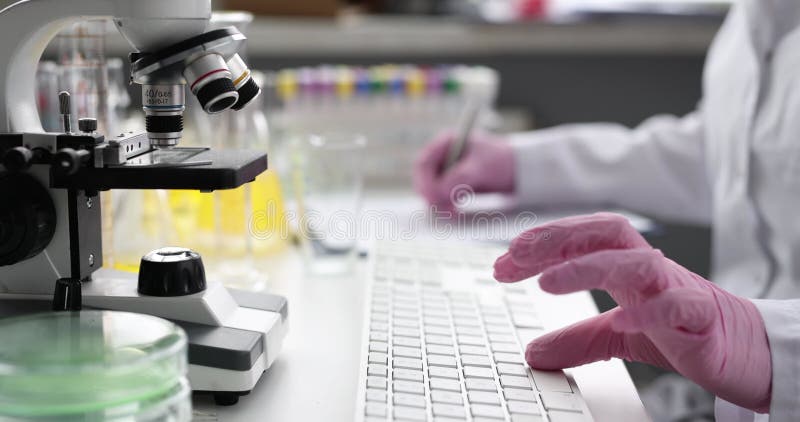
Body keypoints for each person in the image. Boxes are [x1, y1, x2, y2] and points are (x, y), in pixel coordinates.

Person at [414, 0, 800, 420]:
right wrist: (521, 164)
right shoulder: (752, 18)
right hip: (709, 398)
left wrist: (774, 346)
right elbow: (728, 157)